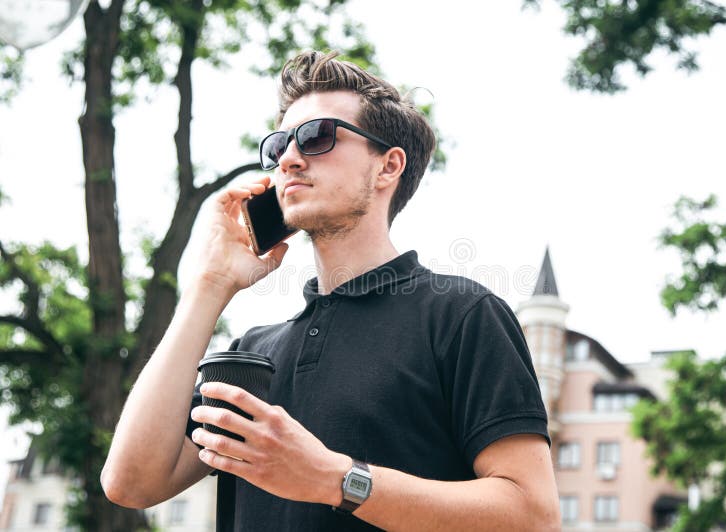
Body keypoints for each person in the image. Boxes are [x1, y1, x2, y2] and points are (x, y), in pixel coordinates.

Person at [101, 50, 560, 531]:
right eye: (279, 145)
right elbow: (130, 484)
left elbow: (534, 516)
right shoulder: (252, 354)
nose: (288, 159)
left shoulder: (462, 315)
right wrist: (208, 287)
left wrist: (334, 479)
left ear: (388, 167)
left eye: (316, 136)